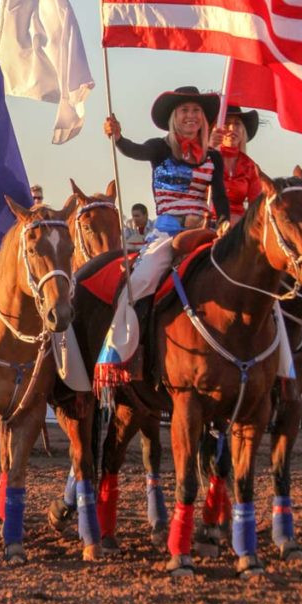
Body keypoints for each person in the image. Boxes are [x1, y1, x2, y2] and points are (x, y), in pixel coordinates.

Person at [98, 86, 229, 385]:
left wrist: (223, 221)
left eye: (196, 111)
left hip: (202, 232)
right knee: (139, 282)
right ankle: (121, 352)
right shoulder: (160, 148)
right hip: (167, 232)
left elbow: (219, 195)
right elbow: (134, 150)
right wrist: (117, 137)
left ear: (203, 119)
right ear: (174, 117)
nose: (191, 116)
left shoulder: (213, 157)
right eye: (184, 110)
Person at [209, 105, 262, 226]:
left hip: (238, 227)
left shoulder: (250, 166)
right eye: (226, 124)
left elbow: (256, 205)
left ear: (243, 130)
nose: (232, 128)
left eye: (237, 124)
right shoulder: (206, 158)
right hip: (207, 221)